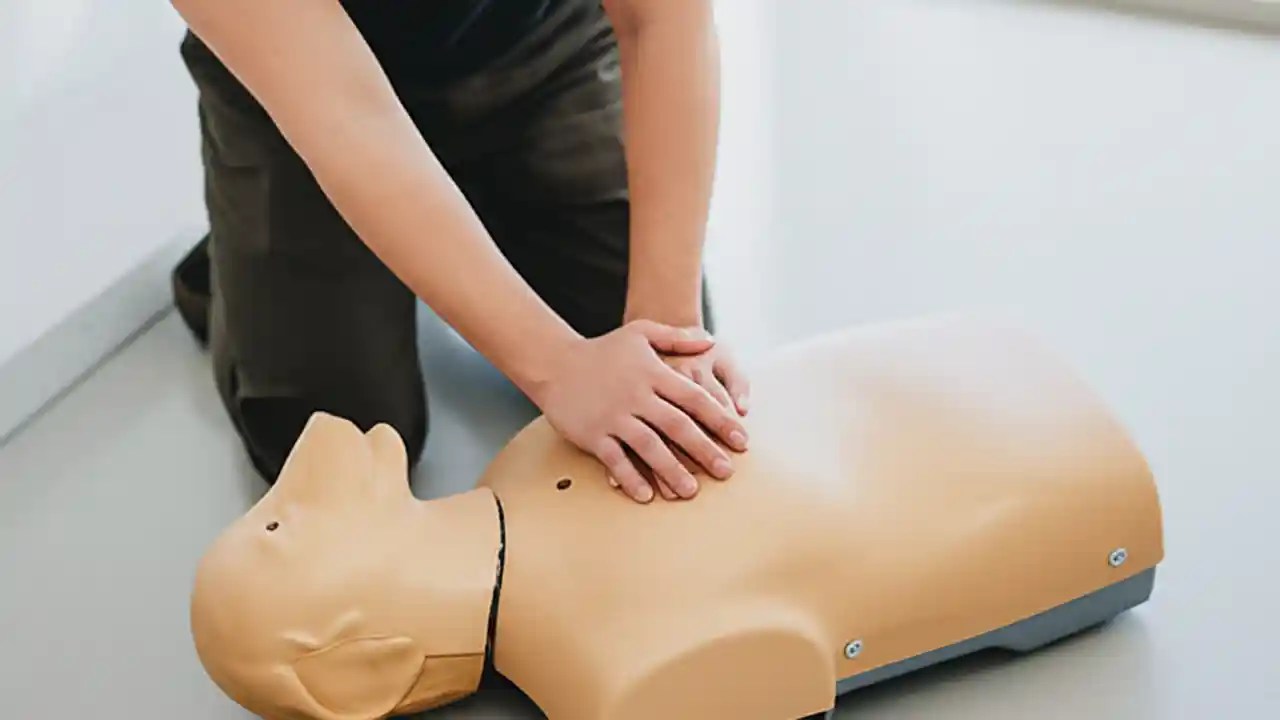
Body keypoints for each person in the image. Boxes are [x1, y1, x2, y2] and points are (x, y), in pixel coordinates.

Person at [168, 0, 751, 504]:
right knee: (333, 442)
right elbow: (349, 116)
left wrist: (667, 325)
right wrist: (558, 368)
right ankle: (238, 254)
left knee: (663, 402)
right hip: (303, 93)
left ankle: (458, 218)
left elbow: (660, 16)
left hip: (538, 48)